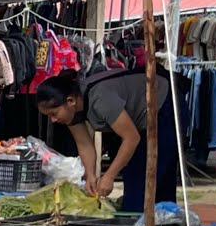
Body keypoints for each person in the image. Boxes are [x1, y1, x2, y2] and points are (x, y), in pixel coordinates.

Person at [36, 69, 178, 213]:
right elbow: (84, 144)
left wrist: (109, 176)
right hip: (137, 123)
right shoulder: (72, 111)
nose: (53, 120)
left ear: (70, 101)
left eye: (54, 114)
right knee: (135, 178)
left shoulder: (100, 99)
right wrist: (90, 175)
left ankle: (153, 224)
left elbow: (131, 138)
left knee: (146, 181)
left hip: (163, 103)